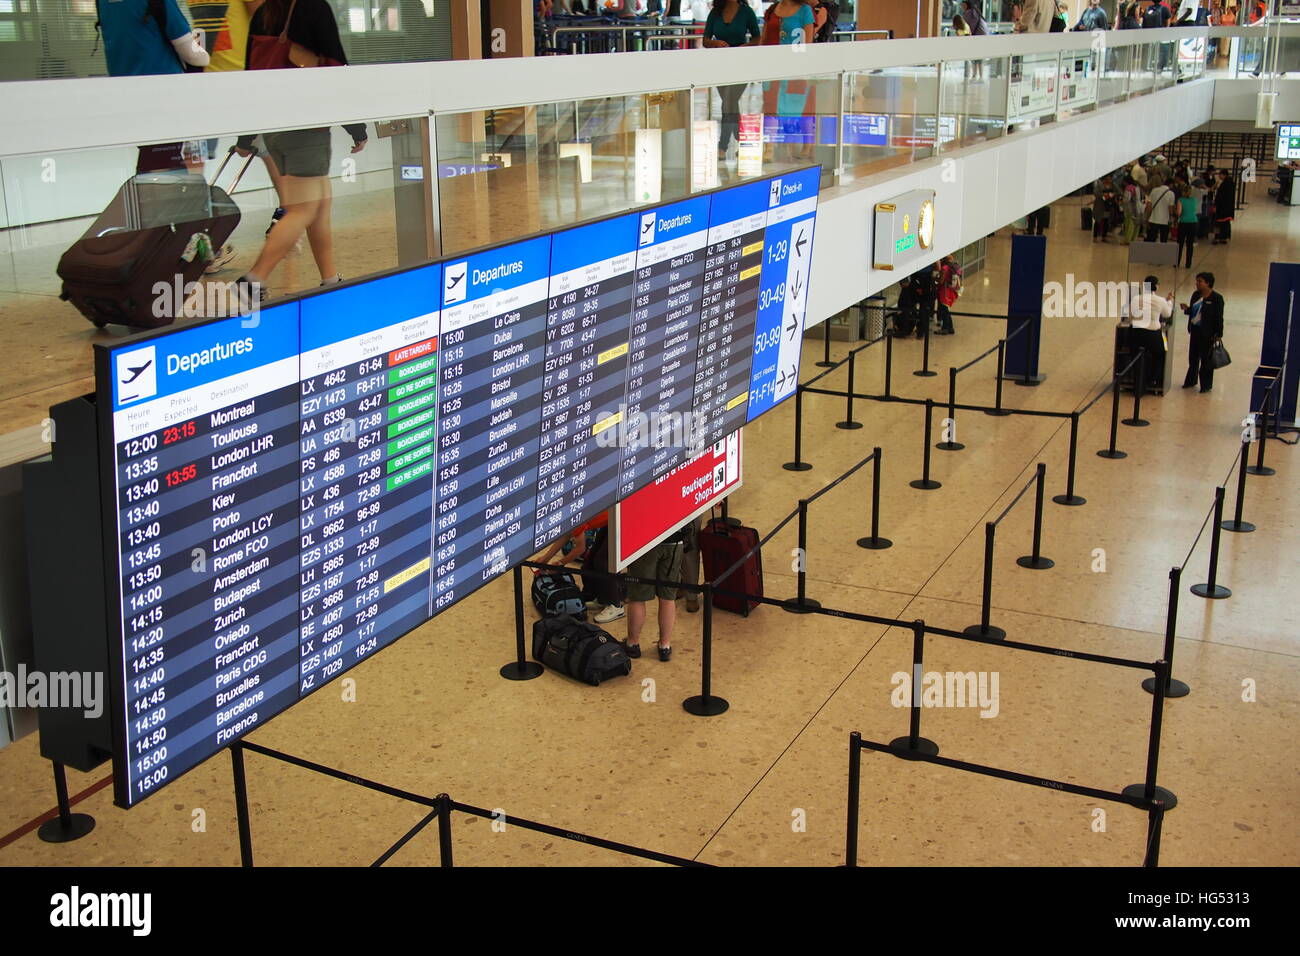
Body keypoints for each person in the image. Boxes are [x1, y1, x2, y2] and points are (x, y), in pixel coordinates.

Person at [233, 0, 368, 303]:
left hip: (275, 129)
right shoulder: (312, 7)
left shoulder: (266, 12)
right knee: (303, 209)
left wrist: (246, 137)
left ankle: (330, 279)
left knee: (319, 205)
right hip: (305, 127)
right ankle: (254, 279)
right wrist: (356, 127)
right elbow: (336, 70)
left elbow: (249, 75)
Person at [98, 0, 210, 172]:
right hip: (164, 96)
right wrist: (205, 56)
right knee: (163, 163)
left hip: (124, 95)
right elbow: (192, 54)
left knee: (154, 158)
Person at [623, 522, 691, 661]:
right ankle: (664, 646)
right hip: (674, 539)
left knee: (638, 597)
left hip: (645, 539)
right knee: (668, 598)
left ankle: (632, 644)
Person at [702, 0, 761, 160]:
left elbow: (757, 38)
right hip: (720, 65)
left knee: (728, 101)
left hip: (741, 65)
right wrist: (715, 43)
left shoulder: (746, 11)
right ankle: (742, 141)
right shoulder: (715, 12)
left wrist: (745, 47)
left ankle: (723, 146)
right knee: (730, 102)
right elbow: (705, 40)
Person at [1125, 274, 1174, 391]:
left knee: (1135, 358)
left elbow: (1130, 316)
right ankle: (1153, 379)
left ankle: (1137, 383)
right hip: (1153, 334)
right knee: (1160, 353)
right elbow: (1167, 314)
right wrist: (1170, 302)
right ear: (1156, 287)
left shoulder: (1136, 299)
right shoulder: (1160, 300)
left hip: (1135, 333)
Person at [1180, 272, 1224, 392]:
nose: (1197, 283)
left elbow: (1219, 318)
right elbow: (1194, 310)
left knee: (1206, 360)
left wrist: (1218, 334)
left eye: (1200, 281)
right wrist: (1187, 309)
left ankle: (1206, 385)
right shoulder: (1196, 295)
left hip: (1208, 334)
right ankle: (1190, 381)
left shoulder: (1217, 298)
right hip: (1195, 331)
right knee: (1193, 358)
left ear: (1208, 283)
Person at [935, 254, 962, 335]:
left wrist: (935, 279)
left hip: (945, 291)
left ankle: (945, 328)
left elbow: (941, 281)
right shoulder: (954, 265)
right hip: (951, 291)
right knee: (946, 309)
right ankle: (950, 328)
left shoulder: (944, 268)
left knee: (944, 310)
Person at [1174, 180, 1199, 267]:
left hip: (1184, 223)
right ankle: (1188, 263)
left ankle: (1177, 262)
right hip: (1193, 222)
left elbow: (1179, 213)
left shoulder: (1180, 200)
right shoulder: (1194, 200)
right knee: (1190, 244)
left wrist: (1174, 210)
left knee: (1180, 243)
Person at [1144, 175, 1176, 242]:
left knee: (1151, 240)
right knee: (1163, 241)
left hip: (1153, 220)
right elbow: (1170, 210)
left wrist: (1147, 218)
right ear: (1171, 184)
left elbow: (1149, 206)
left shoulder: (1154, 190)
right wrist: (1172, 217)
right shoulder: (1171, 194)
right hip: (1165, 221)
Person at [1211, 169, 1235, 243]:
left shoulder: (1224, 184)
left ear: (1224, 175)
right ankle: (1225, 237)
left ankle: (1217, 237)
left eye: (1220, 174)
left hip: (1221, 208)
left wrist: (1215, 205)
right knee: (1226, 223)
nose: (1219, 176)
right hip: (1228, 208)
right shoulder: (1231, 183)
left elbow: (1219, 197)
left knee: (1218, 223)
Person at [1092, 176, 1115, 242]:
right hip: (1099, 205)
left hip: (1107, 206)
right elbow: (1095, 193)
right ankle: (1095, 237)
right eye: (1108, 178)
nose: (1109, 180)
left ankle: (1104, 236)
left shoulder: (1113, 184)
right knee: (1098, 220)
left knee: (1106, 221)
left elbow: (1117, 192)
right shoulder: (1099, 184)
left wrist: (1112, 195)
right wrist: (1104, 195)